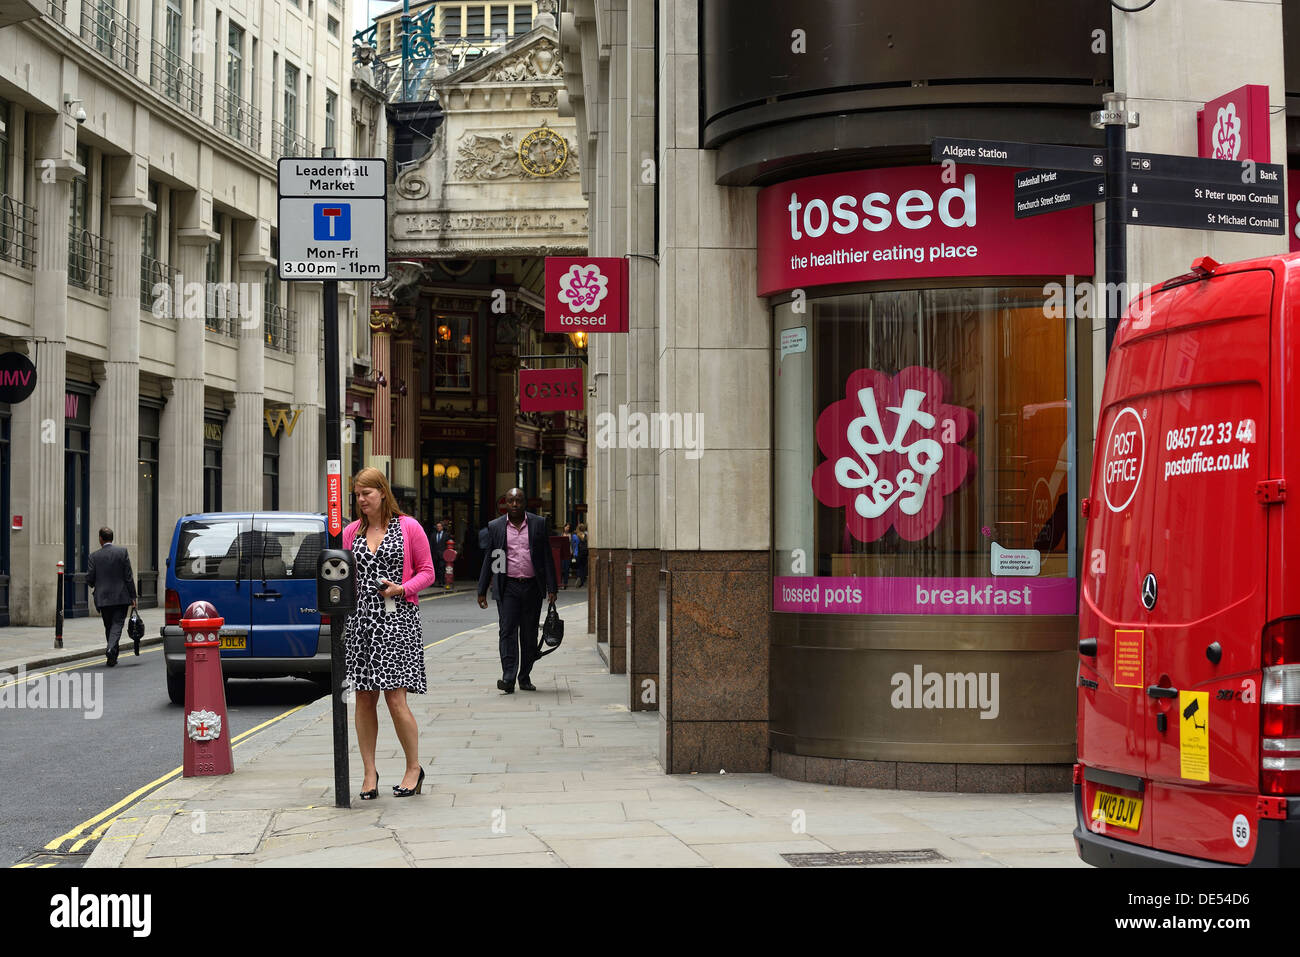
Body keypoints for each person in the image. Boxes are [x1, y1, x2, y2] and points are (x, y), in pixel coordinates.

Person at [342, 467, 437, 799]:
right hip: (362, 623)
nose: (361, 499)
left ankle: (414, 767)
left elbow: (428, 572)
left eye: (366, 493)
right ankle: (370, 773)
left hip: (399, 621)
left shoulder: (409, 527)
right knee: (364, 698)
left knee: (395, 699)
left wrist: (402, 588)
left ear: (382, 492)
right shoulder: (351, 532)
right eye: (357, 494)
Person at [477, 488, 557, 693]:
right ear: (506, 503)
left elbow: (547, 557)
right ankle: (508, 678)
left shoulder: (538, 524)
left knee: (529, 635)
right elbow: (491, 558)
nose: (514, 504)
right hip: (508, 587)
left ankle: (525, 676)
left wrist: (552, 587)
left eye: (518, 501)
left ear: (525, 503)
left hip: (532, 586)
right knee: (507, 632)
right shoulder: (495, 527)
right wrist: (483, 589)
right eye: (510, 501)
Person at [86, 527, 137, 667]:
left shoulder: (94, 556)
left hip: (103, 597)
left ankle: (112, 657)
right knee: (117, 625)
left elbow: (90, 578)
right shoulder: (122, 552)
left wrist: (92, 583)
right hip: (121, 596)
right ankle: (110, 649)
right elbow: (128, 576)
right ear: (111, 538)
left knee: (109, 626)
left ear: (100, 539)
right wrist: (133, 596)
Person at [430, 520, 450, 588]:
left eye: (439, 526)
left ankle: (441, 582)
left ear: (442, 527)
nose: (438, 527)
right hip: (435, 555)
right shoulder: (433, 535)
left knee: (441, 568)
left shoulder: (446, 535)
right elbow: (431, 545)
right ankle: (433, 582)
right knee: (434, 569)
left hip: (442, 555)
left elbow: (448, 545)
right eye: (437, 526)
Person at [574, 522, 589, 588]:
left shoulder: (575, 536)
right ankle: (582, 580)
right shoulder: (586, 535)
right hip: (585, 553)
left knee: (579, 567)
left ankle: (579, 577)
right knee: (584, 567)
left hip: (577, 553)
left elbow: (573, 545)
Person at [560, 523, 572, 589]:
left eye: (568, 527)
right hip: (562, 553)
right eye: (566, 527)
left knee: (567, 569)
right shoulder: (561, 534)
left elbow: (572, 544)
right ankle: (561, 583)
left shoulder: (571, 535)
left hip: (568, 553)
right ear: (564, 527)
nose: (567, 528)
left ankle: (565, 583)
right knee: (562, 568)